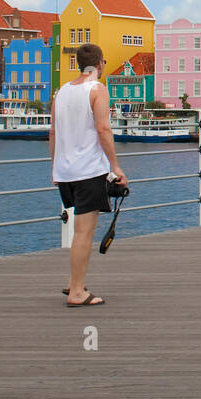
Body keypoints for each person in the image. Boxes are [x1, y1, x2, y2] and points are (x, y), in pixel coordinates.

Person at [50, 42, 127, 308]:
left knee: (77, 230)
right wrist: (115, 167)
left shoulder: (61, 92)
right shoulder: (97, 89)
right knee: (84, 232)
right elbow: (104, 130)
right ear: (100, 63)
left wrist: (55, 168)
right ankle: (78, 292)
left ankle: (74, 282)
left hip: (66, 171)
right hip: (88, 171)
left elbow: (53, 134)